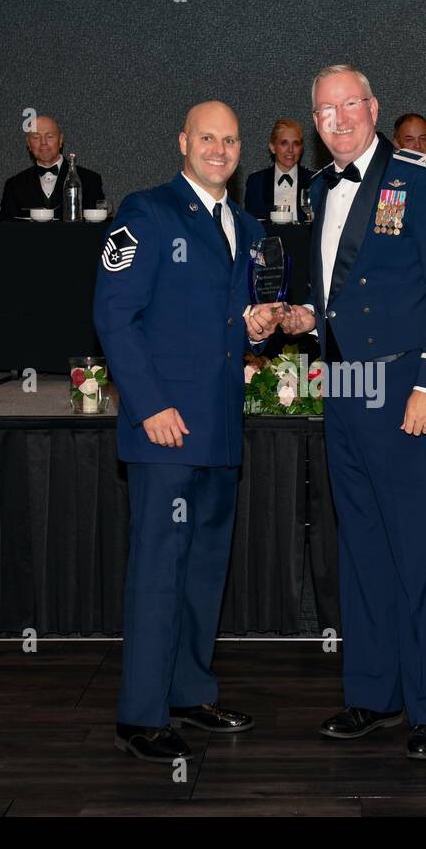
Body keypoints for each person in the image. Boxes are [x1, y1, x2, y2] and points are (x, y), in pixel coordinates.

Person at [278, 65, 426, 759]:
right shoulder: (318, 187)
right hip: (343, 390)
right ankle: (371, 695)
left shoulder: (420, 177)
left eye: (348, 106)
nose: (336, 120)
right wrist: (303, 315)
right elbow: (337, 295)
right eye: (323, 111)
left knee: (419, 553)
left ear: (373, 108)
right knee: (361, 551)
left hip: (403, 394)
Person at [93, 101, 277, 764]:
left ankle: (190, 692)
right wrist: (147, 406)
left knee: (204, 568)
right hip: (165, 428)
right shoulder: (147, 213)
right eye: (208, 137)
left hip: (221, 427)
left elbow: (237, 319)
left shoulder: (250, 226)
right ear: (184, 142)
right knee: (158, 571)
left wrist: (258, 328)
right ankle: (141, 714)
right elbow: (113, 315)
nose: (220, 149)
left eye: (230, 139)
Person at [0, 115, 105, 220]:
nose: (43, 142)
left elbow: (98, 229)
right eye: (36, 137)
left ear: (60, 140)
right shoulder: (14, 185)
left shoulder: (89, 180)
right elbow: (4, 229)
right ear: (29, 144)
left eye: (49, 137)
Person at [243, 118, 315, 221]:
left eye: (296, 143)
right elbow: (250, 224)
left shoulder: (315, 180)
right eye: (284, 143)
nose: (290, 150)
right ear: (272, 147)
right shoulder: (256, 181)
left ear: (301, 148)